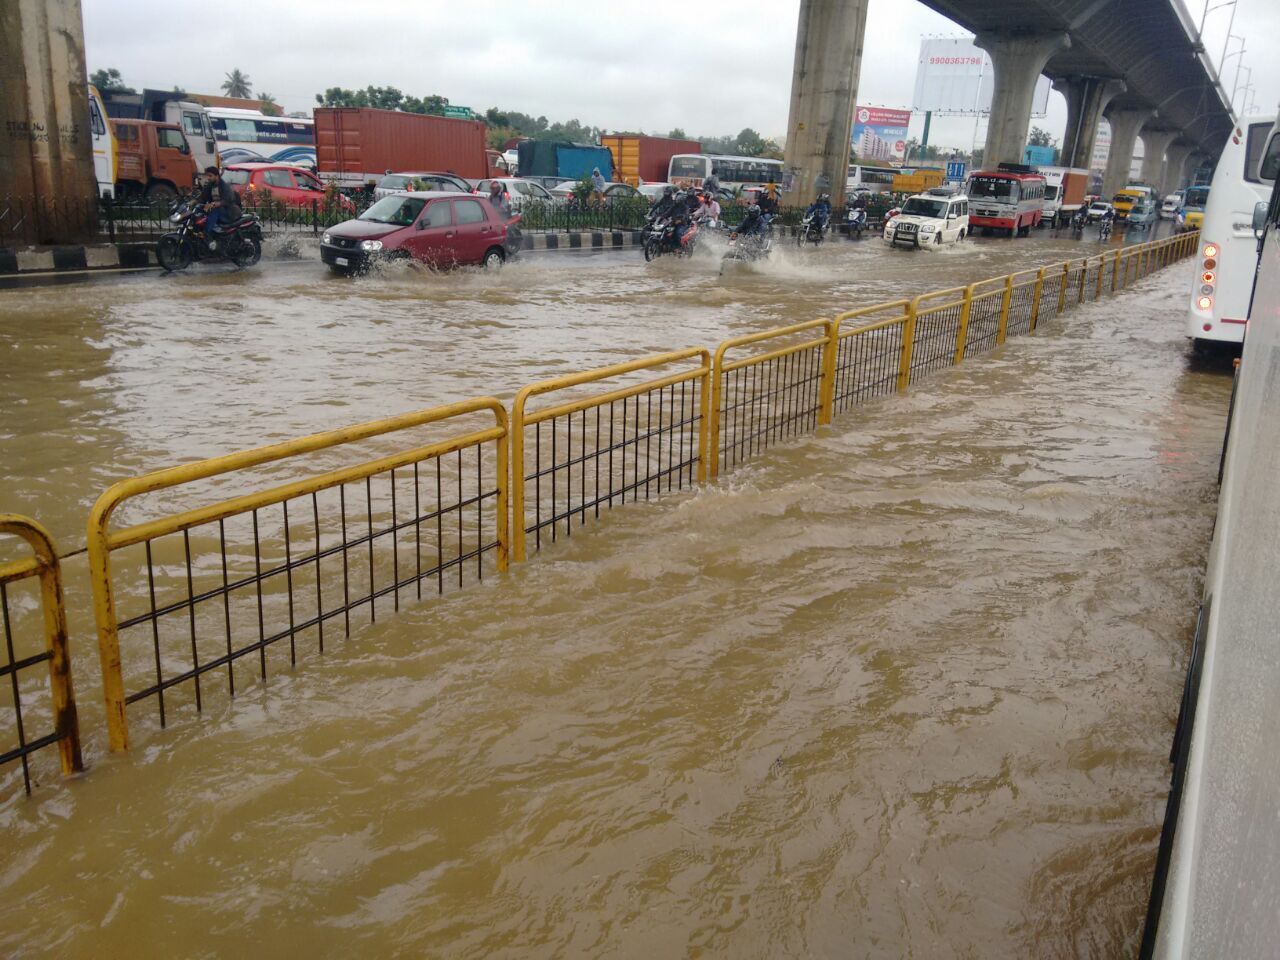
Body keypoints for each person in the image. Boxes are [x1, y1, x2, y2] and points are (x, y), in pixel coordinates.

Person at [199, 165, 241, 235]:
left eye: (210, 176)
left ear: (217, 176)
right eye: (207, 176)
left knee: (216, 210)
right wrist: (193, 203)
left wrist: (214, 205)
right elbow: (202, 198)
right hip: (218, 211)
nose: (208, 178)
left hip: (229, 212)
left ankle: (206, 234)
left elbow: (227, 201)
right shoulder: (209, 186)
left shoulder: (225, 186)